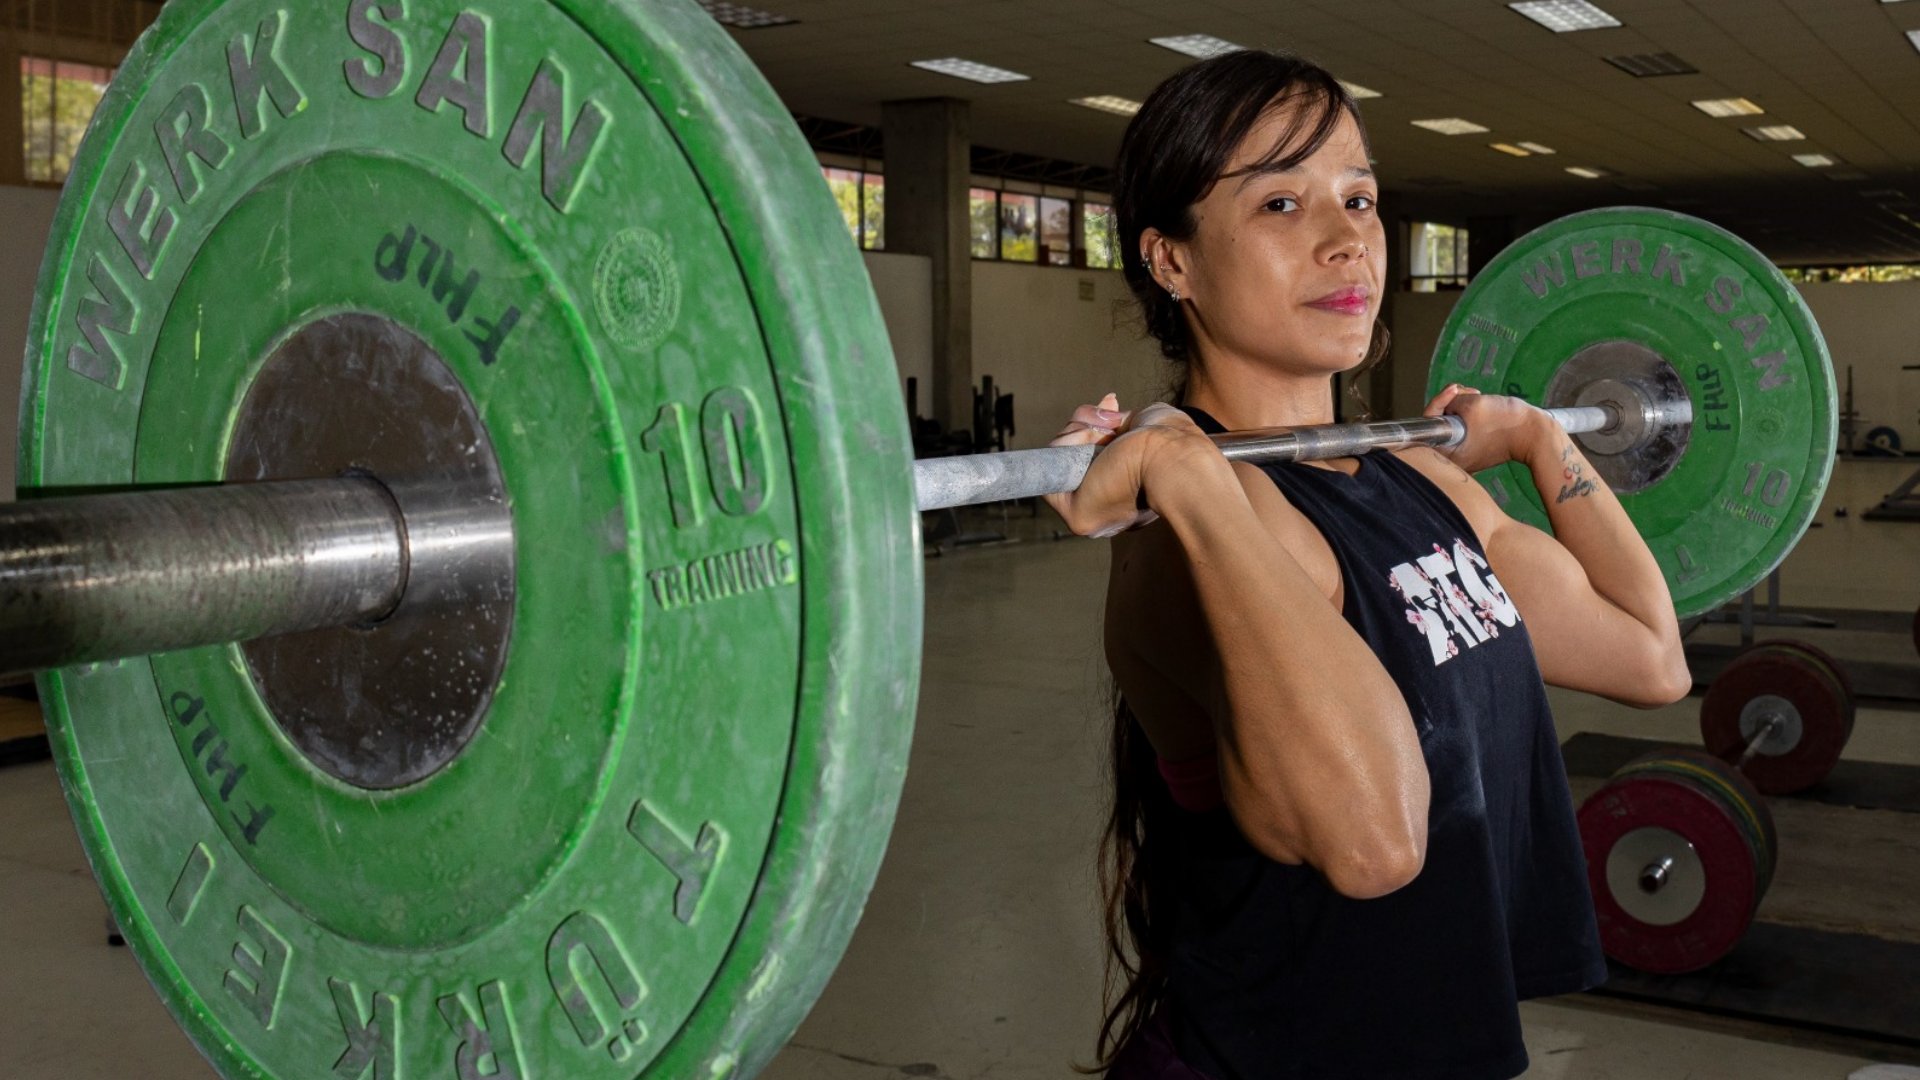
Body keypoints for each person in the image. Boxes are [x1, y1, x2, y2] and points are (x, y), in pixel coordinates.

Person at [1043, 50, 1691, 1080]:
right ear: (1171, 262)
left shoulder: (1420, 481)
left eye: (1359, 198)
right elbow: (1374, 843)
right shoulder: (1183, 531)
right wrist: (1192, 478)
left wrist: (1543, 440)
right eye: (1281, 203)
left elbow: (1651, 657)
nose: (1347, 238)